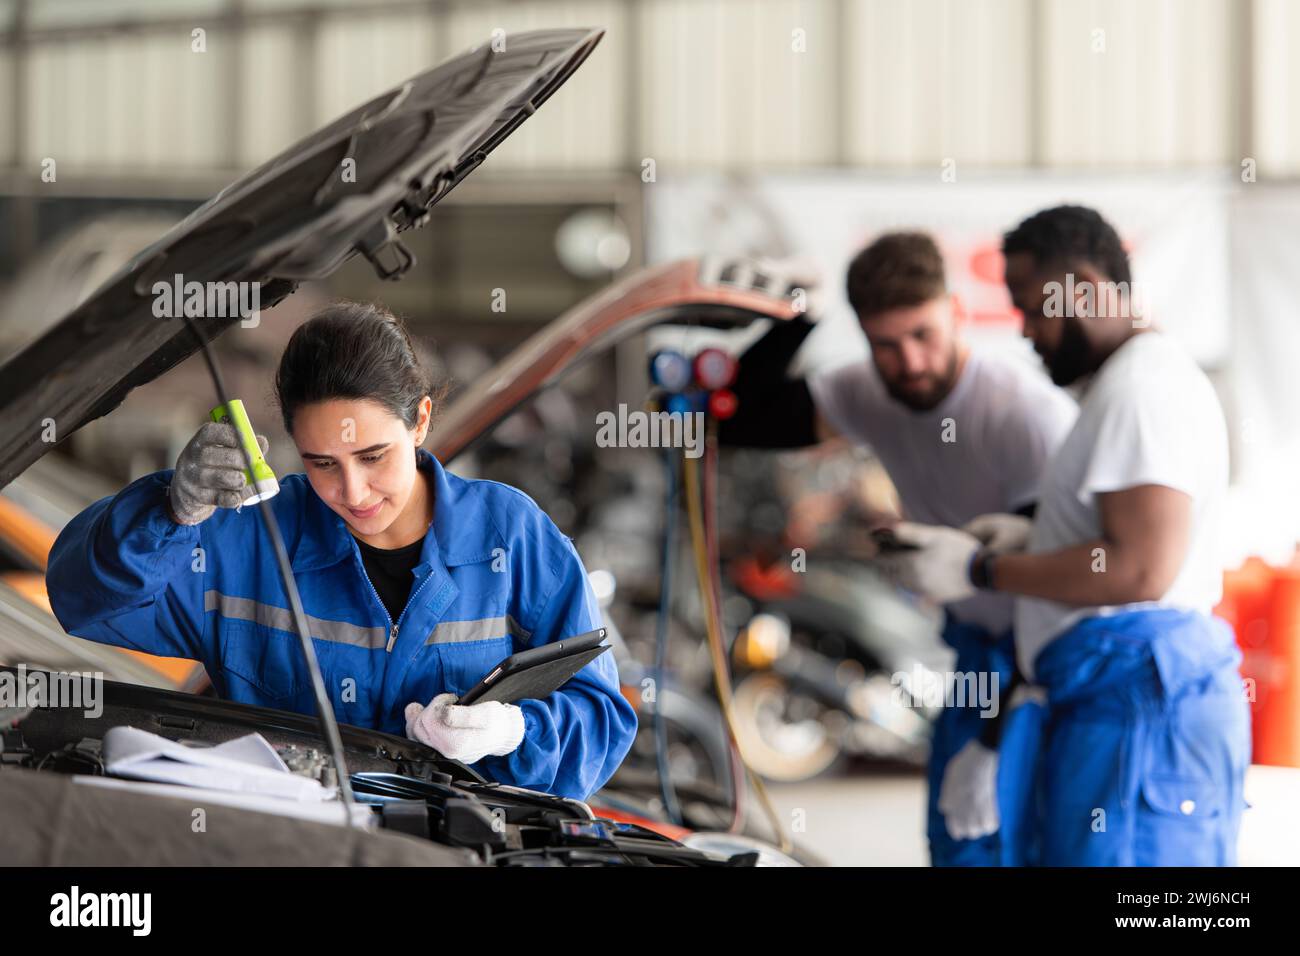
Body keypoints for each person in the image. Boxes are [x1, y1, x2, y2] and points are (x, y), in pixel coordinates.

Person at [45, 301, 637, 802]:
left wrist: (514, 730)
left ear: (421, 420)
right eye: (321, 463)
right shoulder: (248, 540)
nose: (352, 493)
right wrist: (168, 511)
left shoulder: (512, 537)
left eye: (373, 455)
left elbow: (601, 719)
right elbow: (84, 602)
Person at [882, 206, 1250, 865]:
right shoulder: (1122, 386)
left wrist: (982, 571)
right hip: (1112, 699)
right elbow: (1125, 540)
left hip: (1139, 706)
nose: (1026, 331)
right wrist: (1036, 536)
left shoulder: (1141, 389)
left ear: (1080, 287)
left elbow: (1140, 568)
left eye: (1030, 308)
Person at [720, 234, 1077, 864]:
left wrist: (998, 740)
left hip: (1048, 660)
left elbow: (1058, 588)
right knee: (960, 844)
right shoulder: (871, 393)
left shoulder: (1021, 414)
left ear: (956, 312)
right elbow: (739, 417)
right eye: (886, 344)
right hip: (973, 652)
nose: (910, 362)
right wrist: (802, 315)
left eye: (923, 335)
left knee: (1033, 845)